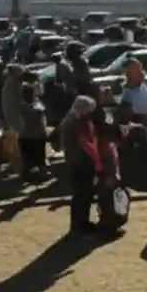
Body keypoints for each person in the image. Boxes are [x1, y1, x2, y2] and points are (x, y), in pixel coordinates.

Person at [60, 95, 99, 235]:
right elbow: (85, 143)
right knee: (83, 194)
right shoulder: (76, 122)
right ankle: (80, 224)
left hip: (75, 161)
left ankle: (80, 223)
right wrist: (97, 158)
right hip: (80, 162)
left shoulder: (68, 120)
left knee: (81, 195)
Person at [17, 83, 48, 180]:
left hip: (24, 136)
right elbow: (41, 122)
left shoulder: (20, 108)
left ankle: (26, 174)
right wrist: (44, 133)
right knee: (39, 158)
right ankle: (41, 174)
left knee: (27, 158)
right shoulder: (38, 108)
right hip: (37, 136)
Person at [0, 63, 25, 176]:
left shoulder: (9, 83)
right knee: (18, 142)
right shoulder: (13, 84)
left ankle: (16, 165)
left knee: (15, 141)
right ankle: (19, 166)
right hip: (15, 116)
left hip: (11, 116)